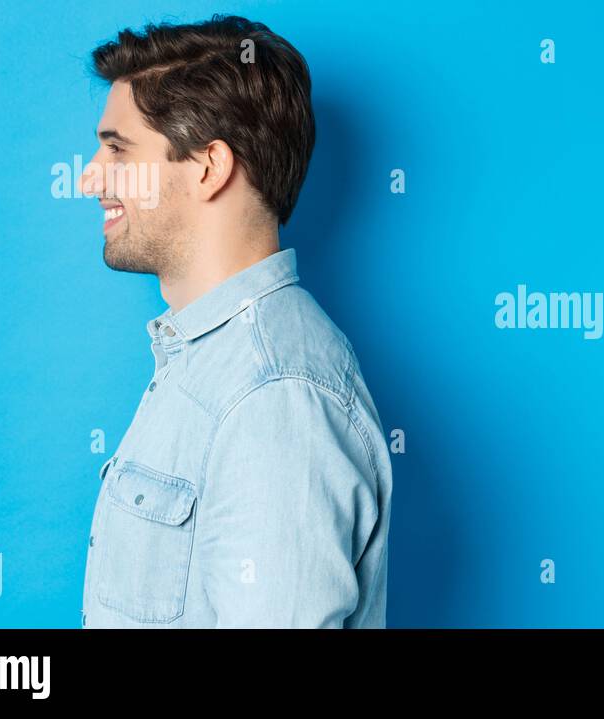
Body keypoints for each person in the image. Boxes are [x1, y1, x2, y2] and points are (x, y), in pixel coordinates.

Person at [78, 15, 391, 628]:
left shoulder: (275, 399)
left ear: (207, 168)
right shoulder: (204, 360)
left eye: (118, 149)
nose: (90, 177)